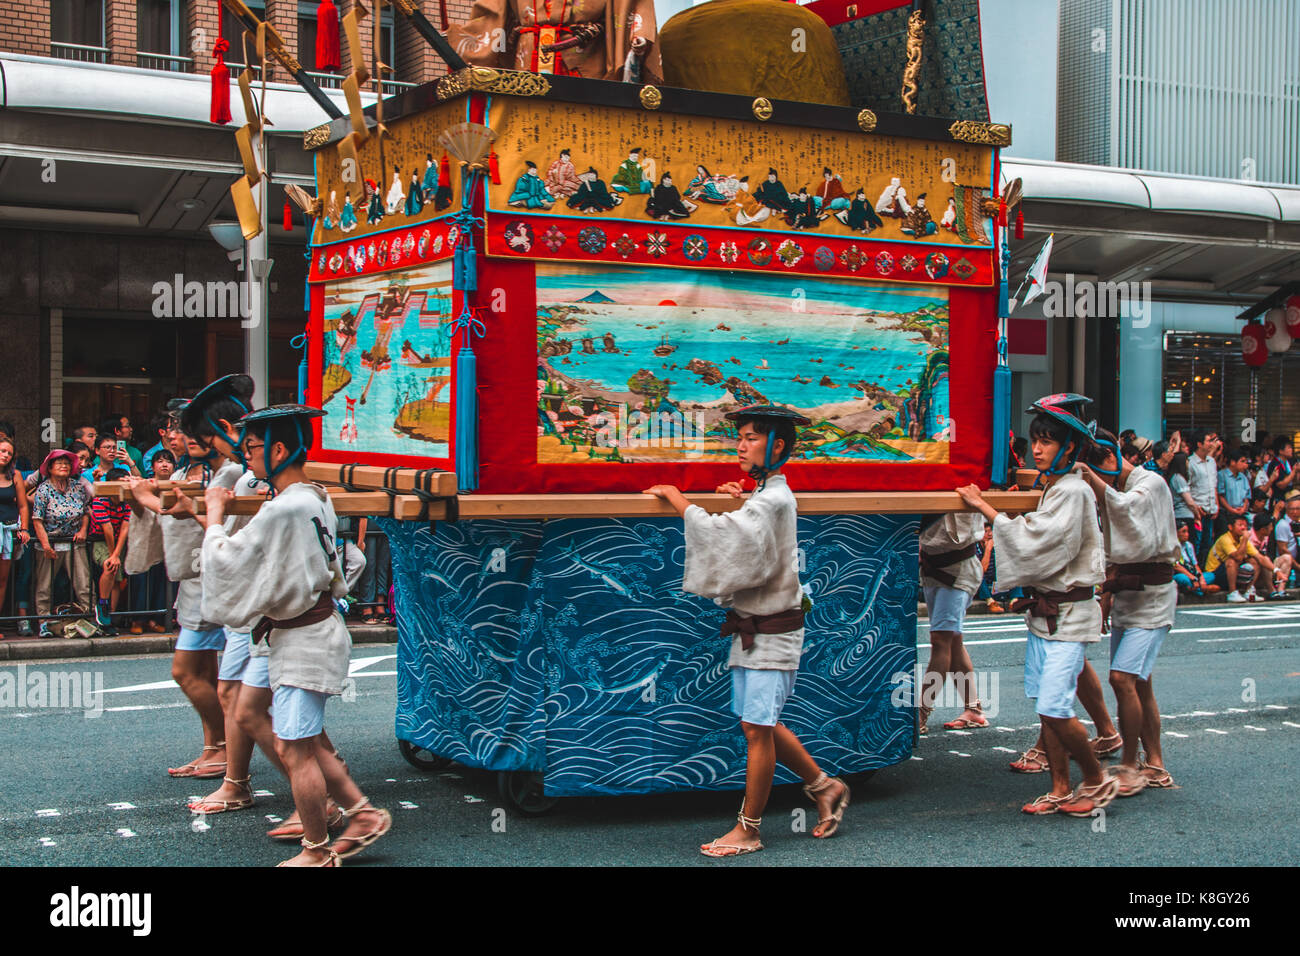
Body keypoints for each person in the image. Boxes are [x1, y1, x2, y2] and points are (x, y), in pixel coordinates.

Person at [645, 405, 849, 856]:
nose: (740, 445)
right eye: (740, 437)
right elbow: (752, 537)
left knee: (757, 729)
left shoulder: (773, 498)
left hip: (771, 632)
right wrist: (742, 501)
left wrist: (679, 498)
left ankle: (749, 829)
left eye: (752, 438)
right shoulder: (767, 495)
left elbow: (723, 534)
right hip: (758, 628)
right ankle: (823, 786)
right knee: (760, 723)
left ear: (777, 447)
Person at [201, 403, 391, 866]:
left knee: (296, 747)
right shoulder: (314, 495)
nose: (248, 459)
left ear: (278, 449)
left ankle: (319, 849)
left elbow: (226, 561)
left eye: (252, 449)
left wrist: (212, 514)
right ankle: (361, 814)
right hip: (297, 632)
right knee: (253, 711)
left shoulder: (284, 508)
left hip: (304, 637)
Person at [956, 394, 1118, 817]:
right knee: (1048, 708)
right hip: (1046, 614)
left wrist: (985, 507)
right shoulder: (1056, 488)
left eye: (1047, 441)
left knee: (1053, 705)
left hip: (1069, 613)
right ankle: (1061, 786)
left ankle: (1096, 778)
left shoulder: (1074, 491)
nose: (1038, 449)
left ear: (1069, 448)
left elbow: (1040, 541)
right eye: (1036, 441)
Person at [1081, 427, 1179, 795]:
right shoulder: (1120, 487)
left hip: (1153, 595)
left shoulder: (1149, 482)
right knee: (1140, 682)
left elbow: (1126, 513)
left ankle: (1129, 765)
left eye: (1096, 471)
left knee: (1122, 679)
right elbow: (1115, 543)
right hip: (1128, 593)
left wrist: (1091, 479)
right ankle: (1155, 763)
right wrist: (1107, 589)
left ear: (1109, 459)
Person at [127, 432, 227, 778]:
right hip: (197, 580)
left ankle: (227, 746)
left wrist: (149, 498)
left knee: (184, 672)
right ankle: (213, 749)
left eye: (189, 429)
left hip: (215, 582)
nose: (176, 435)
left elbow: (204, 520)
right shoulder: (188, 471)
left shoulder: (227, 473)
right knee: (206, 673)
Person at [918, 511, 987, 733]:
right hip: (932, 566)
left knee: (941, 640)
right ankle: (973, 709)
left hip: (959, 568)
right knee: (952, 640)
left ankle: (921, 711)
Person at [30, 449, 93, 636]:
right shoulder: (43, 489)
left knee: (84, 583)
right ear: (49, 468)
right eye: (59, 463)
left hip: (74, 542)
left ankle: (90, 619)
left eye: (66, 463)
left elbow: (86, 512)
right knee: (44, 586)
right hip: (49, 543)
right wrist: (47, 546)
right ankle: (43, 622)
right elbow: (37, 520)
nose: (64, 466)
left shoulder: (77, 487)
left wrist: (83, 530)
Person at [89, 467, 132, 635]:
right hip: (101, 540)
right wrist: (113, 555)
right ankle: (103, 604)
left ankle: (109, 618)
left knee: (117, 575)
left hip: (119, 541)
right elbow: (107, 529)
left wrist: (117, 554)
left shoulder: (127, 501)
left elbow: (125, 528)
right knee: (110, 566)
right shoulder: (100, 500)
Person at [0, 437, 32, 637]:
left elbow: (22, 505)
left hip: (7, 531)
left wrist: (25, 529)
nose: (4, 455)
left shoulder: (15, 475)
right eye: (2, 450)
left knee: (2, 580)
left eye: (8, 453)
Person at [1204, 514, 1274, 601]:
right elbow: (1238, 557)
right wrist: (1245, 540)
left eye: (1245, 525)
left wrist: (1277, 571)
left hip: (1232, 575)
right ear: (1230, 527)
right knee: (1232, 561)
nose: (1243, 528)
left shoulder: (1242, 539)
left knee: (1254, 560)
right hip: (1216, 574)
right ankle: (1232, 593)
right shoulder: (1225, 539)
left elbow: (1260, 557)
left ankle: (1248, 591)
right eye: (1240, 525)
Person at [1186, 430, 1220, 567]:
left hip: (1211, 509)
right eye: (1208, 441)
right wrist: (1194, 507)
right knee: (1196, 544)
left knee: (1208, 544)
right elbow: (1187, 487)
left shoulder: (1212, 461)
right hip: (1198, 511)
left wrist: (1216, 505)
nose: (1212, 444)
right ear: (1199, 444)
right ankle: (1196, 572)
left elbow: (1214, 485)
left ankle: (1205, 573)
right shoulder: (1190, 463)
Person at [1215, 448, 1252, 536]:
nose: (1245, 465)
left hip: (1241, 513)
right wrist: (1231, 509)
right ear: (1233, 462)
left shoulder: (1243, 477)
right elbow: (1220, 496)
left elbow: (1247, 496)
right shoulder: (1222, 475)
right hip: (1226, 514)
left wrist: (1243, 508)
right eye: (1242, 461)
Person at [1173, 522, 1211, 595]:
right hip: (1182, 574)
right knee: (1183, 578)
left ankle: (1194, 589)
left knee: (1210, 575)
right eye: (1183, 532)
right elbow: (1176, 566)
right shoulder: (1173, 546)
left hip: (1192, 573)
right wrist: (1193, 578)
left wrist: (1201, 579)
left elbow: (1195, 564)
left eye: (1187, 531)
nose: (1187, 534)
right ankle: (1201, 590)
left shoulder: (1189, 545)